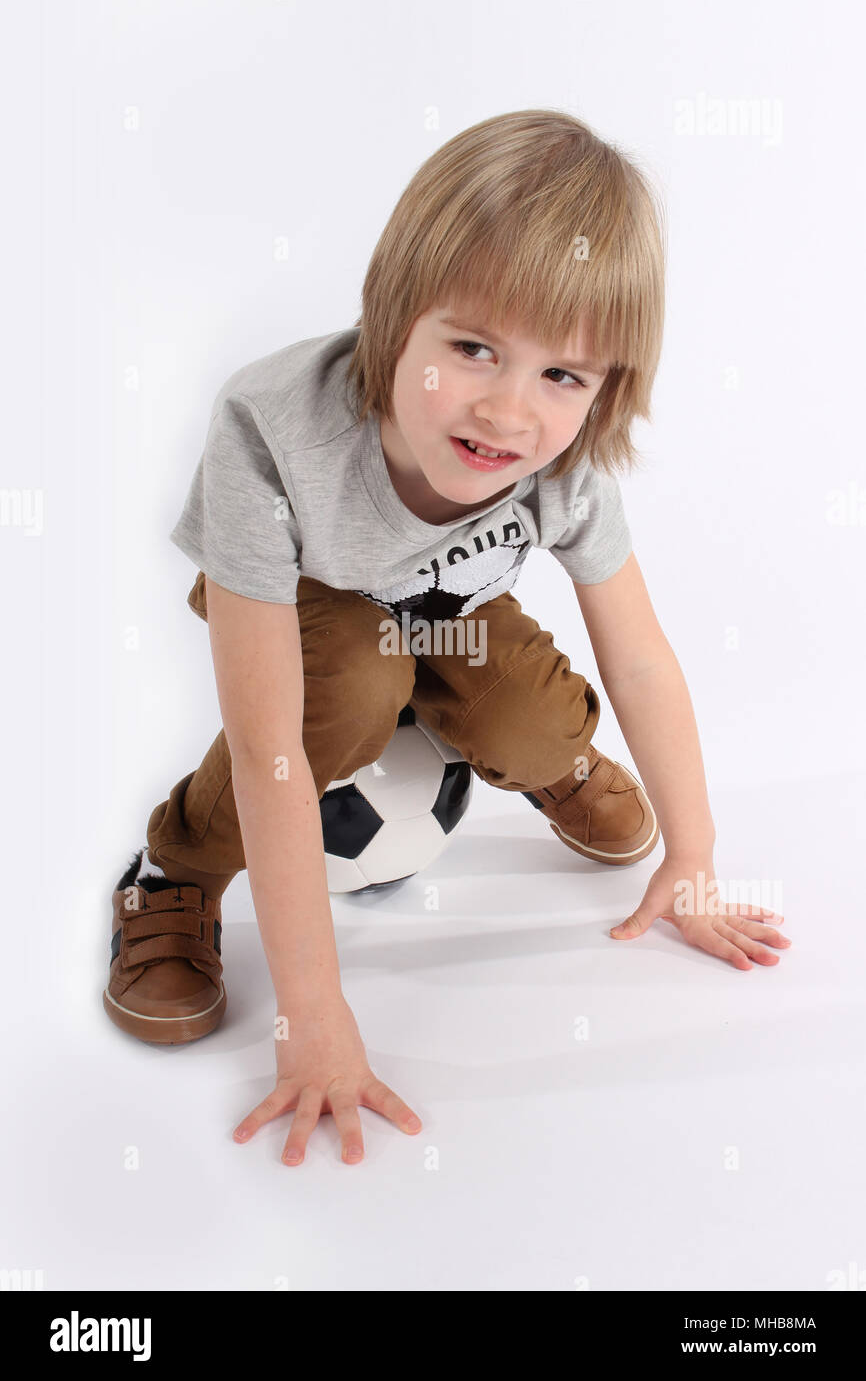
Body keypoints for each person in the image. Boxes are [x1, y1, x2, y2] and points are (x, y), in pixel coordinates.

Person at [103, 108, 790, 1167]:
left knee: (515, 705)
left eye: (563, 375)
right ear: (393, 318)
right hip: (304, 612)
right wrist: (311, 1009)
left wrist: (693, 860)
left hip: (442, 610)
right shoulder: (271, 434)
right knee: (349, 679)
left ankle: (533, 750)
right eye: (472, 349)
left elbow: (640, 654)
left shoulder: (563, 466)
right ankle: (175, 870)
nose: (510, 413)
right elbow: (268, 746)